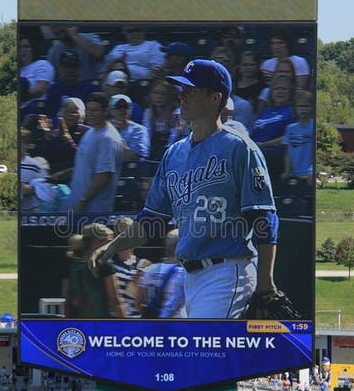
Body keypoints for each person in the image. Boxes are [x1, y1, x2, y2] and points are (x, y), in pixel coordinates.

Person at [90, 58, 290, 319]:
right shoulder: (174, 154)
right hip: (189, 277)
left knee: (203, 355)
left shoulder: (240, 148)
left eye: (191, 90)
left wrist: (266, 281)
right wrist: (112, 247)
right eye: (181, 88)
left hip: (228, 271)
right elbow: (152, 221)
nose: (182, 95)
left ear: (215, 97)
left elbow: (264, 218)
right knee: (197, 355)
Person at [57, 92, 123, 216]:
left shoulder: (108, 138)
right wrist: (66, 173)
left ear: (106, 111)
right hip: (76, 204)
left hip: (93, 210)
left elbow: (104, 175)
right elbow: (89, 164)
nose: (90, 114)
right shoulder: (91, 132)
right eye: (88, 110)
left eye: (95, 110)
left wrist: (82, 202)